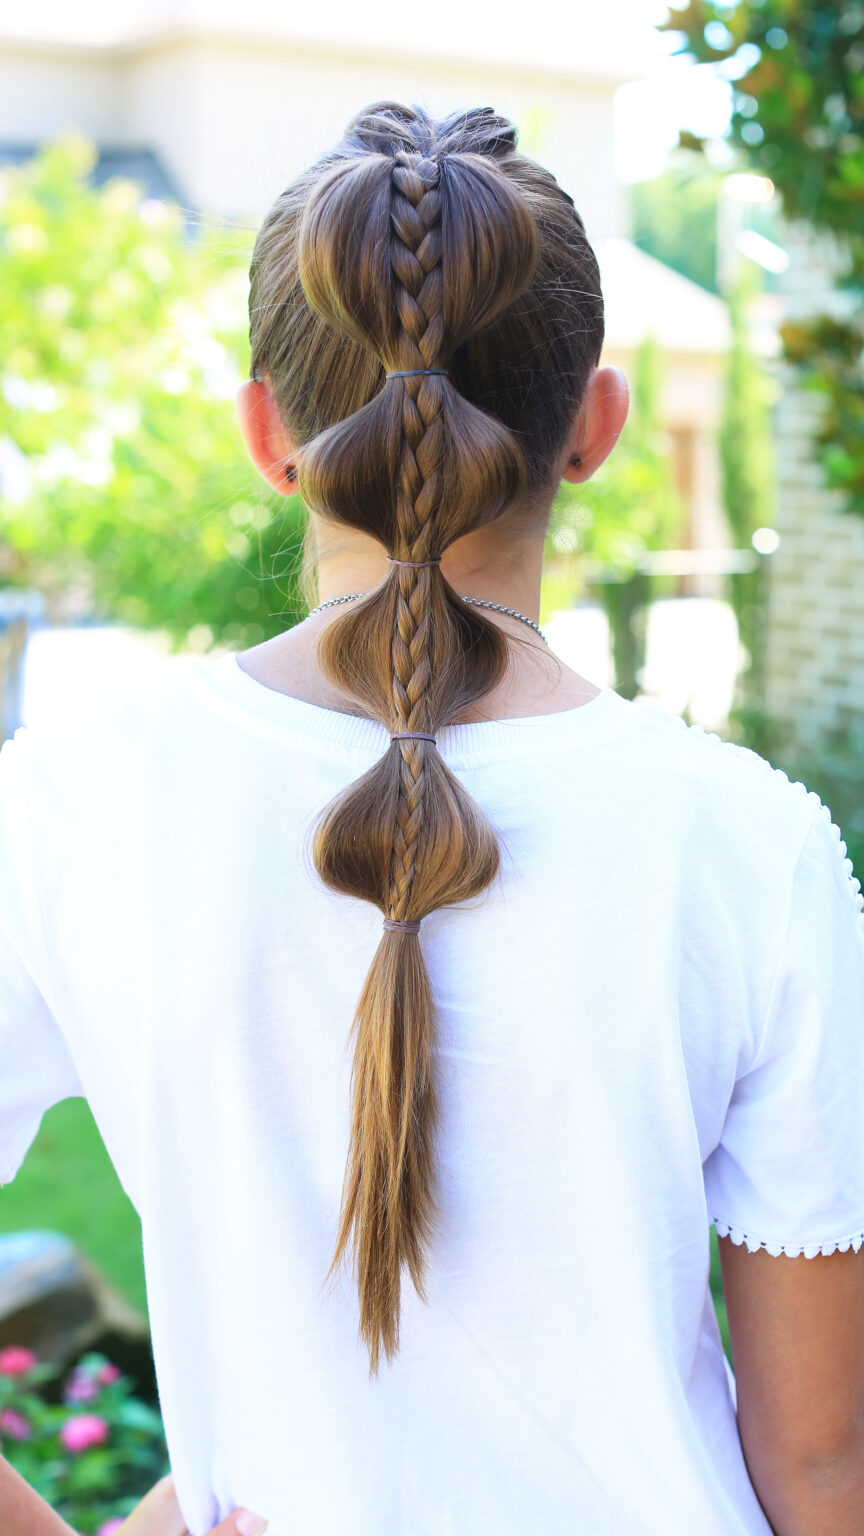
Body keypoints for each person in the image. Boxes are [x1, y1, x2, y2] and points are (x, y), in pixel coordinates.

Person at [1, 100, 863, 1536]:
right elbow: (824, 1462)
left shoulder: (67, 801)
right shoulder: (752, 848)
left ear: (268, 435)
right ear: (594, 426)